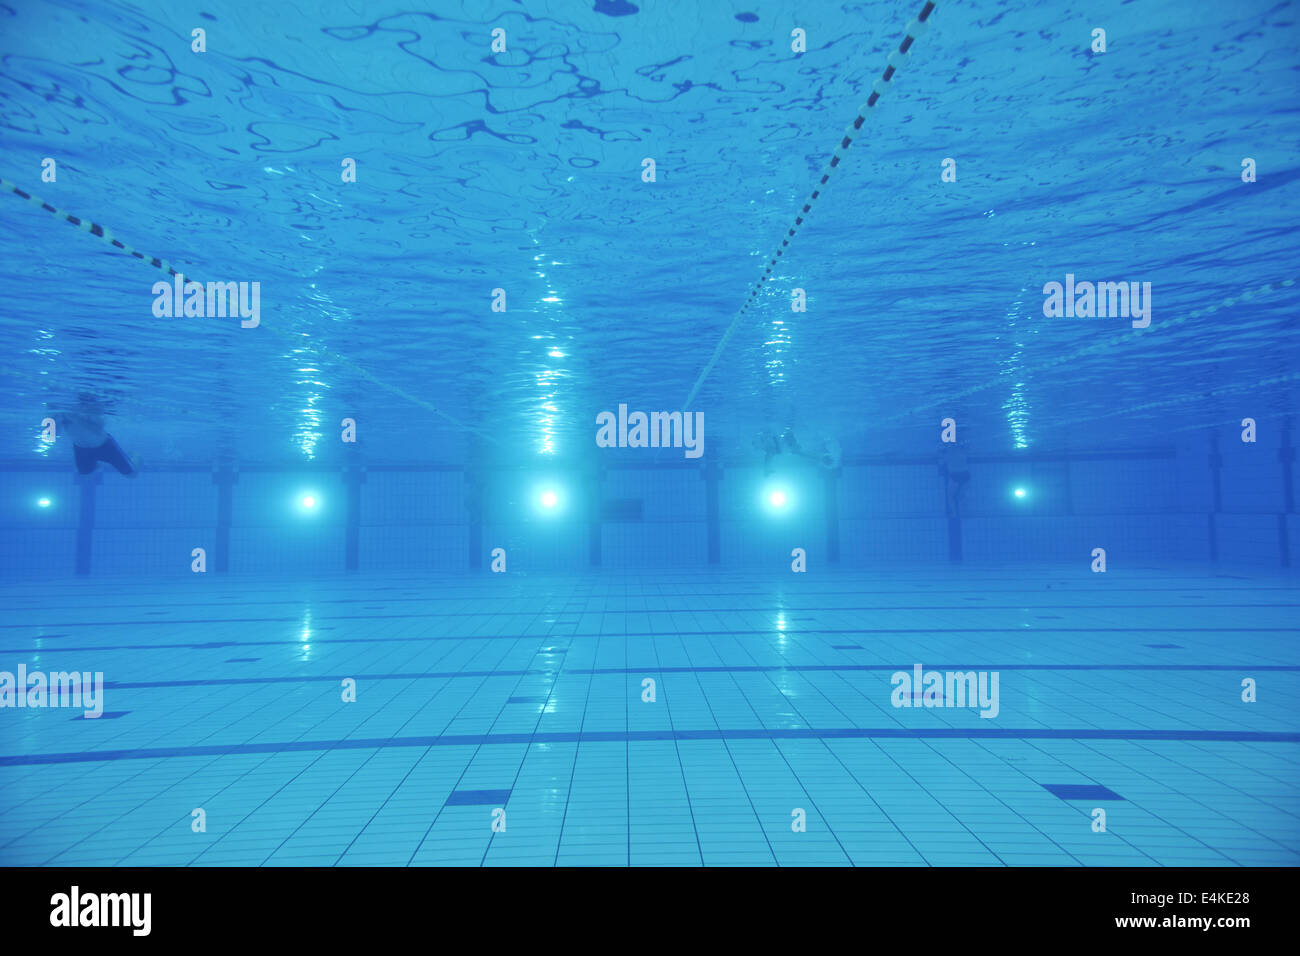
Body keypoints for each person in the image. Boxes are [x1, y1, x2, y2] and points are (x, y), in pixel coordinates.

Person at [50, 395, 139, 478]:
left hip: (105, 446)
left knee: (131, 474)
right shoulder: (62, 410)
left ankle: (135, 457)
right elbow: (53, 434)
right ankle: (97, 463)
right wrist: (55, 421)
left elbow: (98, 429)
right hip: (81, 448)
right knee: (84, 473)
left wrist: (76, 418)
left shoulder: (94, 408)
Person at [938, 440, 969, 518]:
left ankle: (955, 513)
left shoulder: (946, 454)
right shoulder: (960, 451)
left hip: (956, 475)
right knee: (961, 496)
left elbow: (941, 463)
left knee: (950, 496)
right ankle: (962, 512)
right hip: (965, 474)